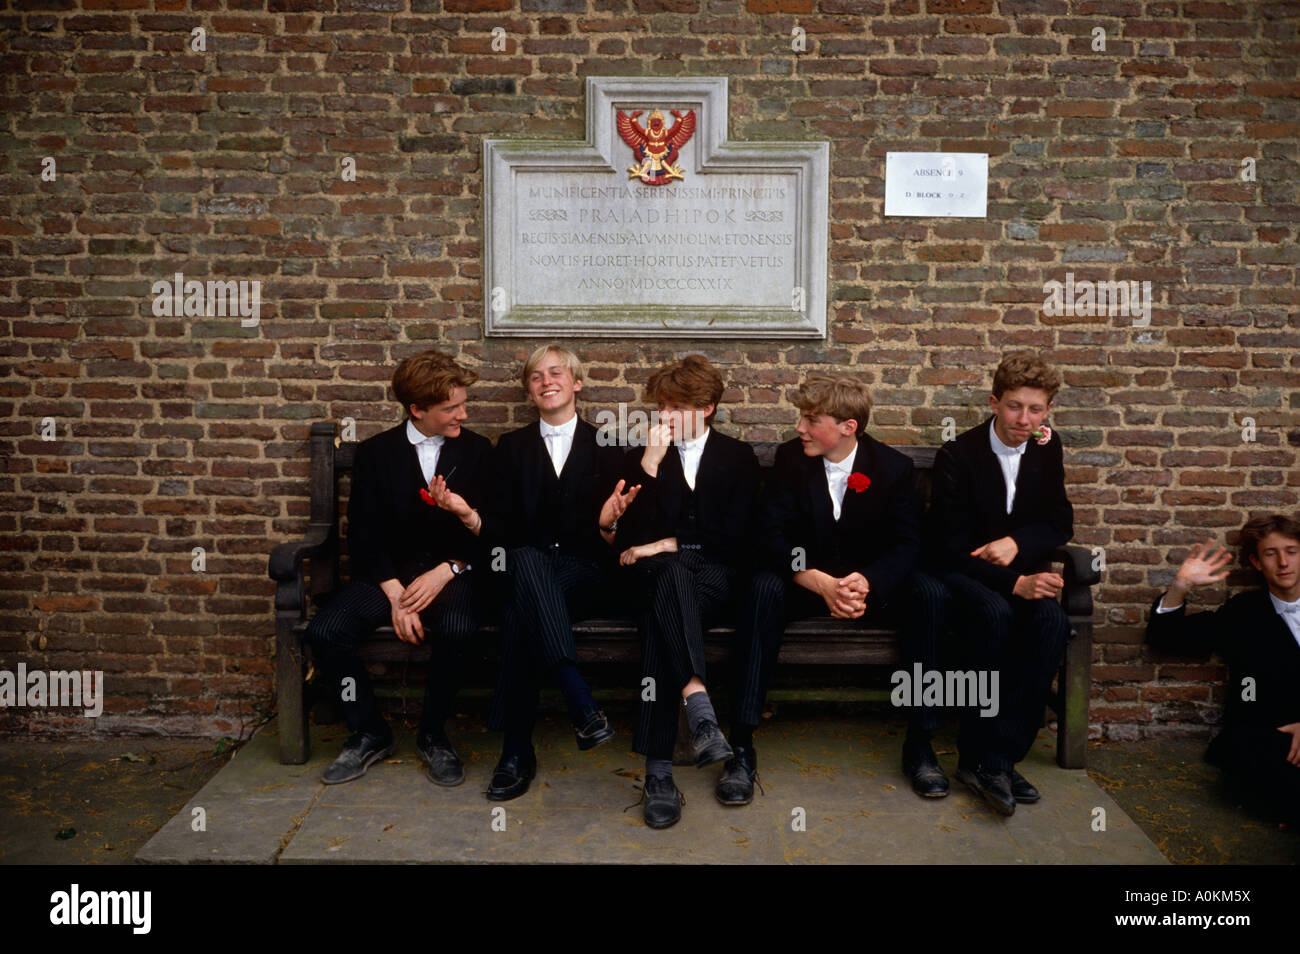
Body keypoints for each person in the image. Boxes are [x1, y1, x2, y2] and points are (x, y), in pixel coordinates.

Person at [724, 373, 931, 805]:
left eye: (811, 418)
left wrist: (868, 582)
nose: (800, 427)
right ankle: (741, 743)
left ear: (847, 427)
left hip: (868, 589)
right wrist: (815, 578)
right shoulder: (790, 461)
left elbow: (909, 543)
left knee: (930, 596)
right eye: (801, 417)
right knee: (761, 589)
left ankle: (921, 744)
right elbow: (769, 536)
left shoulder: (893, 468)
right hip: (803, 584)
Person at [305, 349, 491, 786]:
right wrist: (394, 595)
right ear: (417, 409)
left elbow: (494, 529)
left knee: (460, 628)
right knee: (325, 631)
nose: (463, 413)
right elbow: (364, 531)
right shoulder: (375, 453)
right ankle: (369, 730)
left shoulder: (480, 451)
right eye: (451, 408)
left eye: (463, 403)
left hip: (452, 574)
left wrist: (450, 567)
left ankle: (433, 733)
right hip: (387, 575)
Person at [463, 345, 639, 802]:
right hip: (522, 570)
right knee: (525, 566)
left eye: (556, 373)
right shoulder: (511, 448)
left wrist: (610, 523)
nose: (546, 381)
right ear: (529, 390)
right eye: (536, 376)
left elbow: (625, 533)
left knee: (524, 613)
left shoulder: (610, 446)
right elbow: (499, 529)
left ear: (576, 383)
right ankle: (578, 701)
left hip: (585, 574)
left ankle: (517, 751)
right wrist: (472, 518)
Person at [927, 350, 1073, 816]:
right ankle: (976, 755)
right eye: (1014, 406)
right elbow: (947, 548)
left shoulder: (1048, 447)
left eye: (1035, 409)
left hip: (1017, 572)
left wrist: (1015, 542)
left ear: (1048, 410)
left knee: (1051, 620)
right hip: (962, 575)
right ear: (994, 402)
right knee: (995, 616)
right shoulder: (958, 455)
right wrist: (1015, 585)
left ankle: (1002, 758)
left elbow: (1059, 523)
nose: (1023, 419)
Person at [617, 355, 760, 828]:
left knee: (667, 605)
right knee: (669, 582)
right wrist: (652, 465)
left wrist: (669, 542)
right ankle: (701, 712)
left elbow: (740, 537)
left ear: (708, 408)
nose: (664, 417)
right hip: (654, 578)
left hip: (713, 577)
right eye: (662, 406)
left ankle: (657, 772)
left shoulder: (738, 459)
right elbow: (627, 540)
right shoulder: (643, 459)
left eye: (677, 407)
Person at [1146, 516, 1300, 824]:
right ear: (1257, 562)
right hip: (1270, 739)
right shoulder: (1244, 613)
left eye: (1292, 551)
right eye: (1271, 554)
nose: (1283, 562)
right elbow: (1167, 637)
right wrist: (1181, 586)